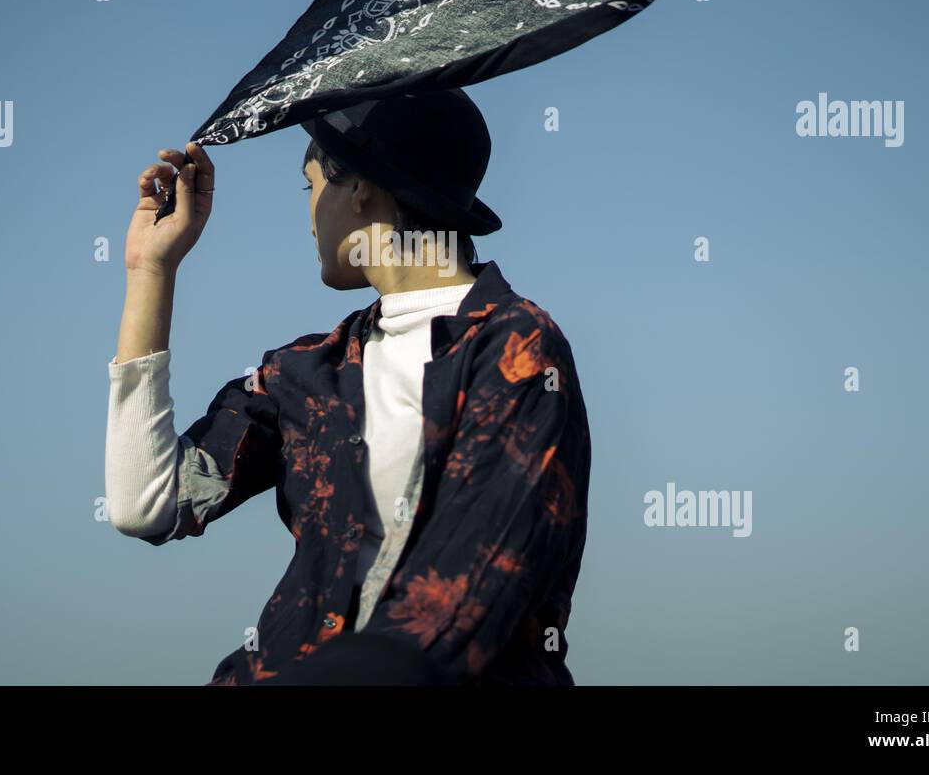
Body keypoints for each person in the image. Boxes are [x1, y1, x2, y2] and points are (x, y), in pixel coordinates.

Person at [104, 89, 591, 685]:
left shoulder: (516, 348)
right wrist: (150, 271)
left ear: (359, 187)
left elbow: (469, 595)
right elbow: (145, 505)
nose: (308, 216)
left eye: (310, 188)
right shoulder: (304, 372)